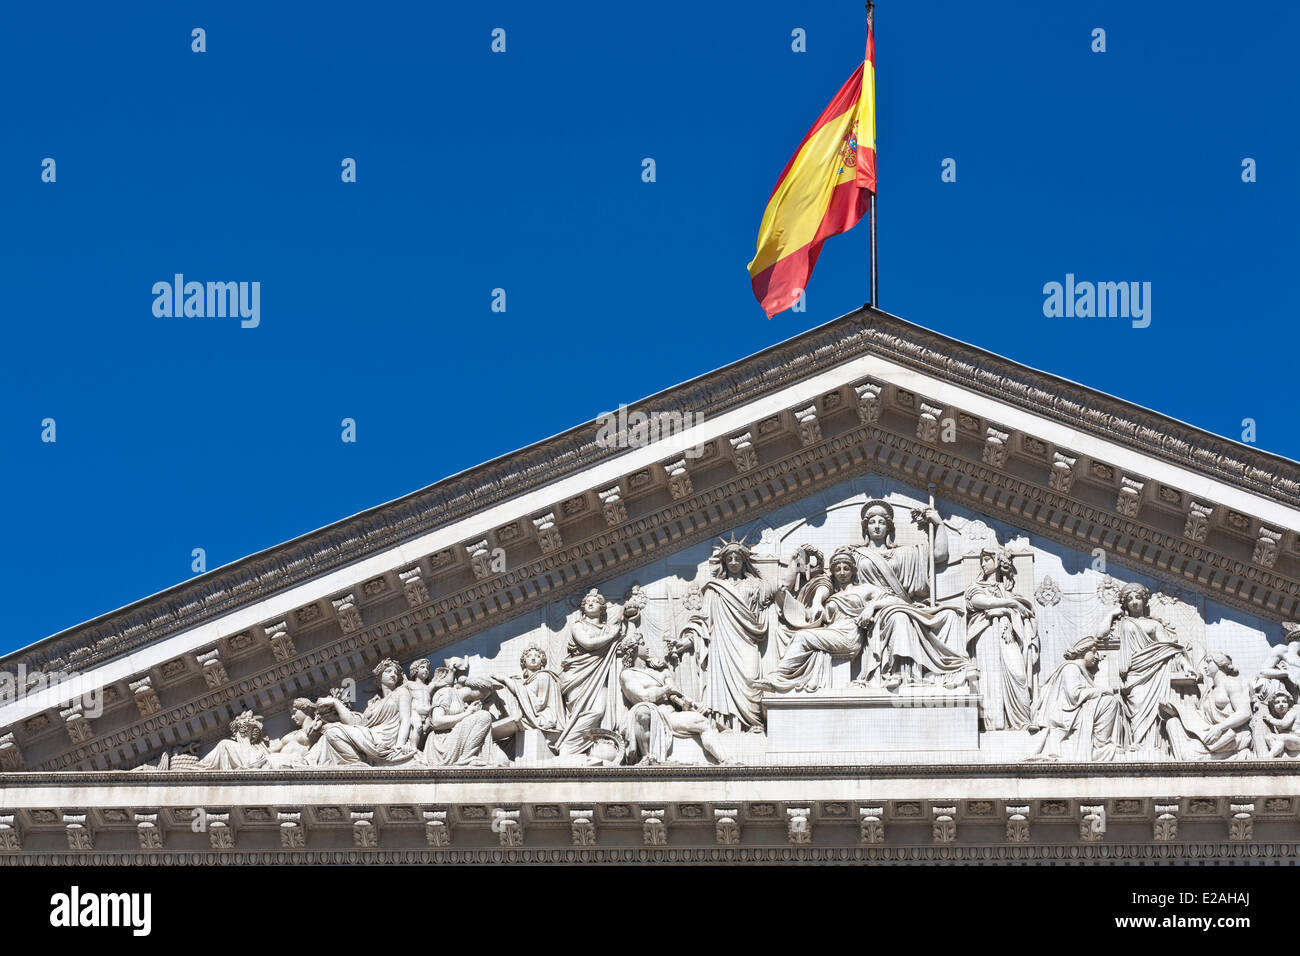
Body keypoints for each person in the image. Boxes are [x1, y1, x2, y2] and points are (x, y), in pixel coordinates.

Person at [851, 500, 969, 688]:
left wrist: (938, 524)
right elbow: (834, 581)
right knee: (899, 617)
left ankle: (953, 673)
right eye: (872, 522)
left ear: (888, 527)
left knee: (949, 615)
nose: (877, 526)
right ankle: (901, 674)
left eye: (881, 522)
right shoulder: (855, 556)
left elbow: (939, 554)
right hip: (876, 612)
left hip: (903, 604)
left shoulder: (905, 553)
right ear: (865, 527)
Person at [758, 546, 869, 693]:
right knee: (787, 632)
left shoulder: (864, 589)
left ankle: (779, 676)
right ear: (833, 572)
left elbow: (893, 600)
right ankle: (786, 677)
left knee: (802, 636)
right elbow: (822, 585)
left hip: (849, 635)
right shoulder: (831, 594)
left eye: (846, 568)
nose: (842, 573)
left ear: (853, 570)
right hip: (833, 632)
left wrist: (871, 608)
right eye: (838, 569)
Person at [690, 538, 772, 731]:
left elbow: (773, 589)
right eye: (730, 559)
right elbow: (703, 619)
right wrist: (687, 640)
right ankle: (728, 726)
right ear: (724, 562)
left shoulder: (755, 585)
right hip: (722, 643)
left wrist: (757, 570)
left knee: (752, 681)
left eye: (738, 558)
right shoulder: (714, 589)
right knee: (723, 684)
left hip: (747, 639)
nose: (734, 562)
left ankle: (754, 722)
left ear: (745, 562)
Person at [552, 587, 644, 755]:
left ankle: (577, 746)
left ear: (602, 608)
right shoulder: (578, 626)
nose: (591, 603)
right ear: (582, 608)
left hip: (600, 677)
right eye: (587, 602)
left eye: (595, 602)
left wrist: (631, 621)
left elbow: (627, 645)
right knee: (585, 711)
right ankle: (568, 748)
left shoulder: (608, 629)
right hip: (578, 675)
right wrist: (612, 636)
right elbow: (588, 643)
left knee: (599, 710)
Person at [1106, 582, 1192, 756]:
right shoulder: (1121, 623)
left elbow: (1169, 648)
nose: (1134, 602)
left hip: (1154, 672)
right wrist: (1110, 615)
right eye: (1130, 599)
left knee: (1154, 709)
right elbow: (1100, 635)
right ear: (1124, 603)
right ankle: (1136, 743)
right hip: (1133, 673)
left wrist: (1187, 664)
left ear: (1145, 601)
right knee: (1137, 705)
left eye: (1138, 598)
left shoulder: (1153, 625)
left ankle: (1151, 747)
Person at [616, 635, 724, 763]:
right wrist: (665, 689)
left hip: (669, 714)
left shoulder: (660, 671)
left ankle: (726, 760)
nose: (647, 647)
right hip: (650, 714)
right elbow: (643, 696)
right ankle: (647, 758)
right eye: (643, 644)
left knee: (702, 722)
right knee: (642, 711)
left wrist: (690, 704)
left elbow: (677, 694)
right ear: (633, 649)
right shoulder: (628, 674)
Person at [965, 548, 1040, 730]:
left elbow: (1026, 613)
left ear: (998, 562)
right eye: (982, 560)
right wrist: (1010, 606)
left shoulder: (1007, 592)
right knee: (990, 679)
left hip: (1007, 635)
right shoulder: (975, 588)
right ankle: (994, 724)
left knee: (1018, 675)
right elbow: (981, 602)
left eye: (987, 559)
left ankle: (1021, 719)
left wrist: (1008, 610)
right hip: (987, 636)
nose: (983, 564)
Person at [307, 659, 422, 767]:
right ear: (379, 676)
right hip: (369, 735)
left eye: (396, 673)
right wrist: (336, 702)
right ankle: (357, 762)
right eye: (388, 671)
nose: (393, 674)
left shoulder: (401, 692)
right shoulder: (373, 704)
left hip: (385, 739)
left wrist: (400, 745)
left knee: (333, 732)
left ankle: (361, 763)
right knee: (331, 734)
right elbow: (352, 723)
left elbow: (405, 719)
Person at [1028, 636, 1122, 761]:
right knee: (1110, 702)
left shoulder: (1081, 671)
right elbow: (1074, 694)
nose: (1097, 656)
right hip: (1066, 715)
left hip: (1075, 711)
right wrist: (1103, 690)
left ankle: (1099, 744)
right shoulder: (1071, 668)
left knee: (1111, 701)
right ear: (1083, 651)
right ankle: (1100, 745)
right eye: (1093, 651)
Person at [1159, 652, 1252, 760]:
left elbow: (1245, 713)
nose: (1205, 666)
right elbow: (1201, 718)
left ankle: (1236, 755)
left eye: (1209, 662)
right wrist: (1176, 711)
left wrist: (1220, 727)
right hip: (1212, 733)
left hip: (1231, 734)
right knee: (1173, 723)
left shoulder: (1230, 684)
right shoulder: (1210, 691)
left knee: (1190, 755)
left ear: (1220, 664)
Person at [424, 661, 509, 766]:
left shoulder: (466, 705)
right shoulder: (446, 692)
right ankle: (466, 759)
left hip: (456, 740)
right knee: (484, 716)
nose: (482, 698)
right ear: (477, 688)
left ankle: (475, 756)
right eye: (484, 695)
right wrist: (467, 714)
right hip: (443, 743)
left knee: (502, 760)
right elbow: (436, 722)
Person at [493, 644, 565, 733]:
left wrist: (505, 679)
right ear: (524, 661)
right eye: (529, 656)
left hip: (541, 718)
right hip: (529, 714)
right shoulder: (524, 681)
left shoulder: (544, 676)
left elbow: (536, 703)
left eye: (537, 656)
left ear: (542, 661)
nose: (533, 658)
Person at [197, 711, 270, 770]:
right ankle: (200, 766)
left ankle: (200, 767)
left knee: (224, 744)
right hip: (249, 755)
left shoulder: (227, 744)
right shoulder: (230, 745)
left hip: (251, 755)